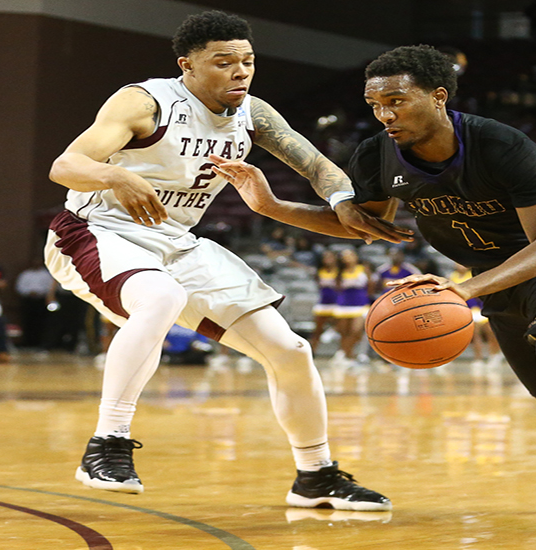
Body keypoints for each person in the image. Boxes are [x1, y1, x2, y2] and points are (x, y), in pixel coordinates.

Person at [211, 45, 536, 542]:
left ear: (438, 96)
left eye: (397, 101)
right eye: (375, 105)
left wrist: (462, 290)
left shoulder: (499, 144)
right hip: (496, 276)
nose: (385, 115)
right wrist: (270, 206)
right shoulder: (378, 155)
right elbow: (364, 224)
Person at [43, 11, 405, 509]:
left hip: (176, 241)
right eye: (224, 62)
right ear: (187, 66)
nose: (240, 72)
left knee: (290, 350)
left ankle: (316, 476)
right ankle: (106, 443)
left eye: (248, 61)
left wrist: (342, 201)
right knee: (161, 297)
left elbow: (318, 167)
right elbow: (65, 165)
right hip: (96, 230)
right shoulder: (146, 102)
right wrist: (116, 176)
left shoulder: (253, 114)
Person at [449, 262, 502, 370]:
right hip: (466, 310)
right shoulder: (452, 277)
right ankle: (478, 358)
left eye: (461, 264)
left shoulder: (473, 275)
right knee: (475, 334)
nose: (460, 266)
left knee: (490, 332)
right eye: (458, 264)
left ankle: (495, 355)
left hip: (480, 308)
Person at [331, 248, 371, 367]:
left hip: (360, 304)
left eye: (350, 255)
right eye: (345, 256)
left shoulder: (364, 269)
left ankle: (346, 353)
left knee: (356, 332)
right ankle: (347, 356)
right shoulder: (339, 271)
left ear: (356, 256)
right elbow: (337, 288)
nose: (347, 258)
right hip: (343, 305)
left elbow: (371, 285)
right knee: (344, 333)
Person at [15, 262, 57, 349]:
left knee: (41, 322)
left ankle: (39, 343)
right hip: (28, 300)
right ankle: (27, 342)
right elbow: (19, 287)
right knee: (28, 321)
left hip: (41, 300)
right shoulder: (26, 274)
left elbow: (49, 288)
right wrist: (29, 292)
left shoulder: (46, 275)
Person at [307, 249, 339, 352]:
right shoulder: (319, 271)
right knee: (317, 330)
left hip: (337, 303)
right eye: (325, 257)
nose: (327, 259)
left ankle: (333, 333)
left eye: (330, 257)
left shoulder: (340, 271)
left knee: (341, 327)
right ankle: (312, 351)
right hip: (323, 302)